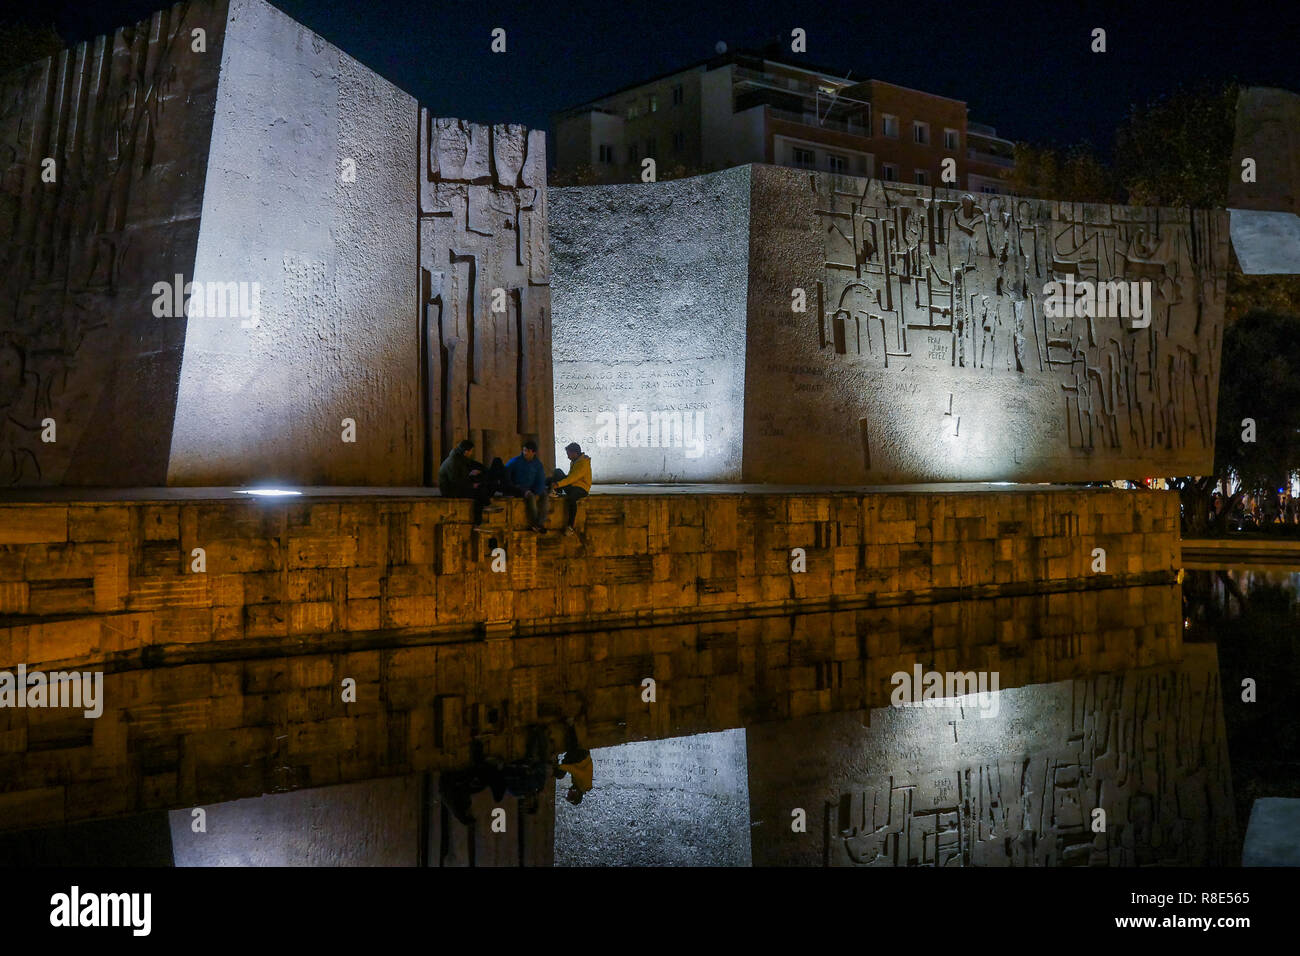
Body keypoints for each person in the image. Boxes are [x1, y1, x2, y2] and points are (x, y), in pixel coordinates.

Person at [438, 438, 503, 525]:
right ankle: (481, 515)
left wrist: (474, 473)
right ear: (466, 452)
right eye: (471, 451)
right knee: (478, 492)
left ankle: (485, 506)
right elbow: (455, 481)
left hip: (459, 485)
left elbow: (469, 467)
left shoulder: (460, 458)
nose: (471, 453)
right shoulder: (453, 461)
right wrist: (471, 485)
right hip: (451, 490)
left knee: (484, 484)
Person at [548, 442, 591, 536]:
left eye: (569, 454)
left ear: (575, 453)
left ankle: (570, 526)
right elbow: (570, 478)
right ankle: (554, 492)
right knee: (557, 472)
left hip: (581, 488)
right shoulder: (575, 461)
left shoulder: (583, 463)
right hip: (573, 485)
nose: (568, 457)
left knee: (572, 498)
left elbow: (573, 478)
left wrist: (558, 484)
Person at [505, 440, 549, 533]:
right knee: (530, 496)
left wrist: (538, 490)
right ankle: (535, 523)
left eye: (528, 451)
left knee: (545, 495)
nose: (525, 453)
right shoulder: (515, 462)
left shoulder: (537, 464)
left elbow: (540, 479)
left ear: (533, 452)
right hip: (518, 488)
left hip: (531, 487)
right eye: (524, 450)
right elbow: (506, 476)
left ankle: (540, 523)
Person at [554, 722, 593, 806]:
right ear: (576, 794)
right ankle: (570, 725)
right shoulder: (586, 785)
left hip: (576, 760)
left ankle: (569, 727)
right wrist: (561, 766)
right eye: (570, 794)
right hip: (581, 757)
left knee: (560, 774)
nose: (568, 792)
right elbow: (576, 771)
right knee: (561, 772)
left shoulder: (576, 784)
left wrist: (561, 767)